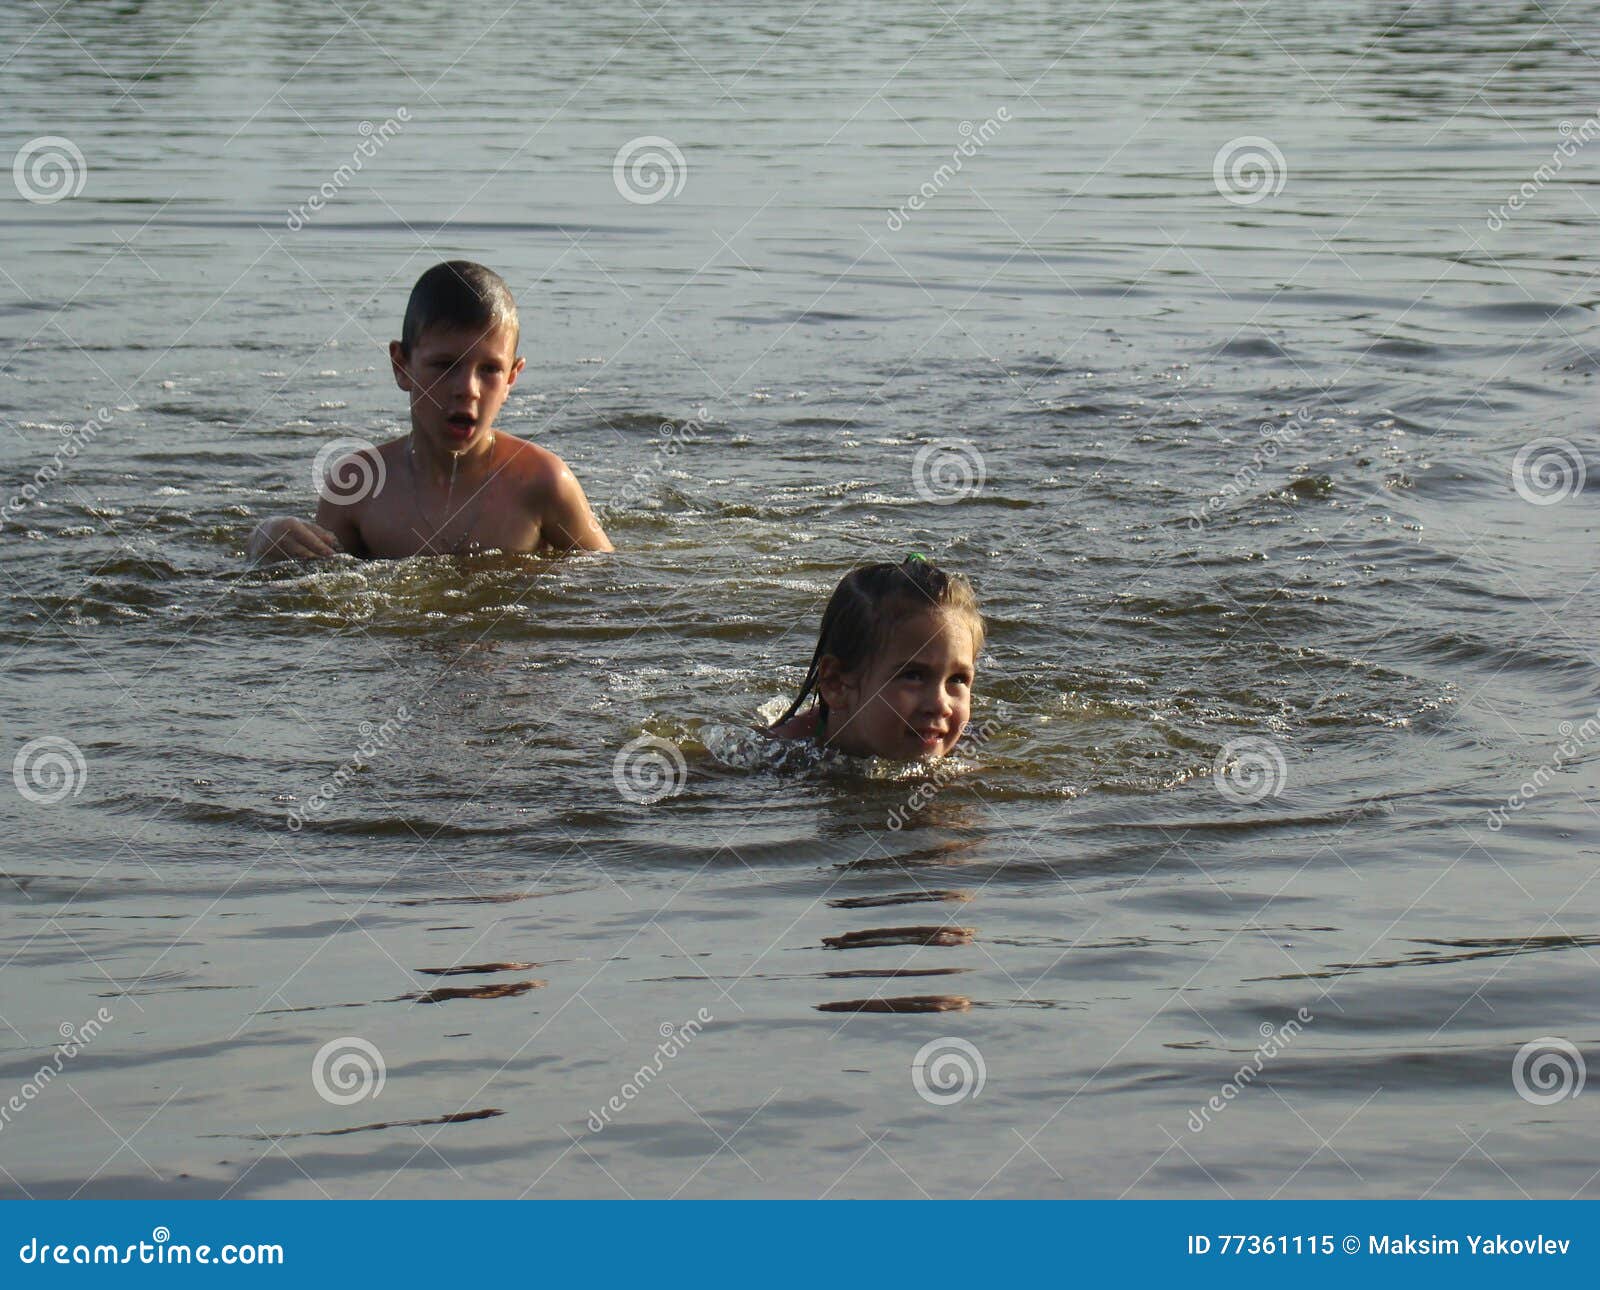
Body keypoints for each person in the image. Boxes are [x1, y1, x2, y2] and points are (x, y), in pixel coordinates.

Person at [247, 261, 612, 560]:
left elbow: (610, 584)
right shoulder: (357, 488)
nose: (467, 389)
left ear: (512, 378)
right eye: (445, 365)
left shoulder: (543, 482)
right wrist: (266, 539)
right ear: (402, 366)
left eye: (489, 370)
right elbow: (317, 594)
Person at [769, 557, 983, 760]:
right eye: (914, 676)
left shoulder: (969, 749)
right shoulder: (772, 761)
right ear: (836, 683)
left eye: (957, 679)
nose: (940, 705)